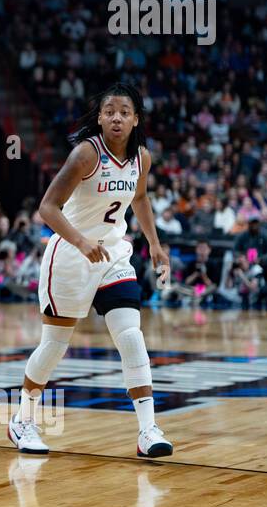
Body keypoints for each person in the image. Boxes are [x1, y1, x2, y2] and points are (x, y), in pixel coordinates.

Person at [12, 82, 173, 458]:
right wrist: (81, 242)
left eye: (124, 112)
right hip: (70, 257)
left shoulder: (142, 158)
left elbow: (141, 197)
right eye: (110, 111)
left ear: (136, 120)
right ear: (99, 117)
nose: (116, 118)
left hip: (114, 256)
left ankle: (148, 430)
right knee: (54, 346)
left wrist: (154, 242)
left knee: (131, 336)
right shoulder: (86, 154)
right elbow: (47, 208)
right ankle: (22, 420)